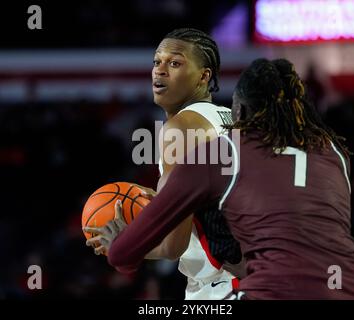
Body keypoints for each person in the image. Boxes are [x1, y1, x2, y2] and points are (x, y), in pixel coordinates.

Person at [85, 58, 354, 299]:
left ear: (242, 111)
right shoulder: (335, 153)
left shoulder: (223, 152)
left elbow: (125, 254)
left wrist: (117, 245)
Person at [85, 28, 242, 299]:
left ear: (204, 76)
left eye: (175, 63)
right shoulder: (232, 118)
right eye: (157, 62)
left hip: (221, 284)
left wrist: (124, 244)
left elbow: (172, 247)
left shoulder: (181, 127)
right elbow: (216, 202)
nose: (160, 70)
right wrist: (161, 200)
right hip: (253, 277)